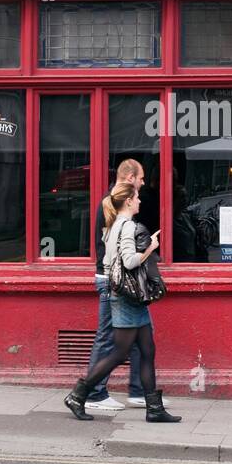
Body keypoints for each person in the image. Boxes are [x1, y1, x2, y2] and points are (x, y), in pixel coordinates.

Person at [65, 182, 181, 423]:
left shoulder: (112, 226)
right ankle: (79, 394)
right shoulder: (127, 227)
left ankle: (154, 408)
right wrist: (150, 248)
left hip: (127, 297)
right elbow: (129, 262)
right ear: (128, 201)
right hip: (126, 297)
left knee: (147, 349)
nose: (140, 201)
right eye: (137, 197)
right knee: (119, 353)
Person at [86, 159, 145, 411]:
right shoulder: (113, 203)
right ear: (130, 177)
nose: (143, 182)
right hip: (113, 281)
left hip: (116, 280)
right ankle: (93, 394)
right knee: (108, 338)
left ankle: (140, 391)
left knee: (137, 335)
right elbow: (113, 247)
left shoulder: (113, 201)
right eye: (141, 178)